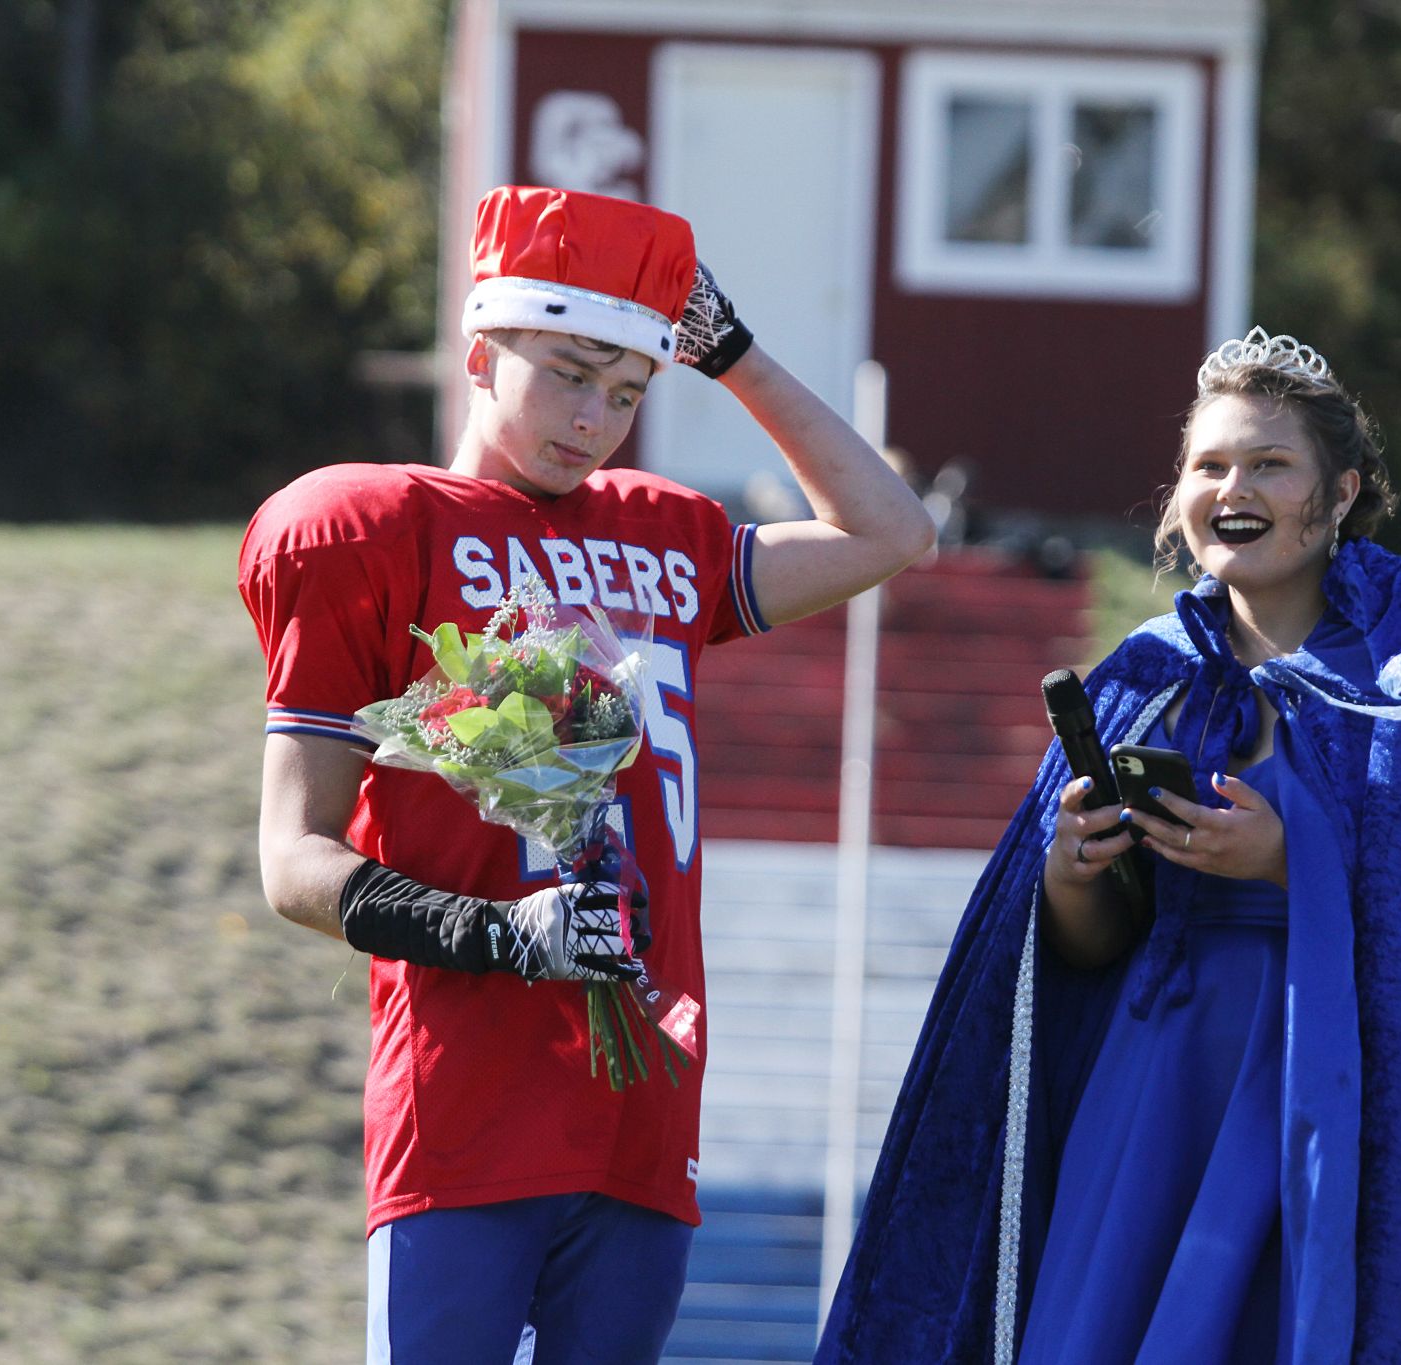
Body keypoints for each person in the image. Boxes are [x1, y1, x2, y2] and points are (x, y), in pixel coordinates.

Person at [238, 185, 934, 1365]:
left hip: (645, 1103)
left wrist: (735, 357)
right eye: (568, 372)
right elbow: (291, 862)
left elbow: (891, 533)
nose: (596, 417)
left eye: (627, 390)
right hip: (467, 1102)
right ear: (478, 350)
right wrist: (503, 934)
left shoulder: (663, 530)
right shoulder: (372, 522)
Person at [818, 328, 1401, 1363]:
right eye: (1208, 465)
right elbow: (1076, 958)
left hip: (1318, 1087)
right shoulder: (1137, 680)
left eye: (1268, 464)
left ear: (1339, 494)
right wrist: (1070, 874)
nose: (1231, 487)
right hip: (1151, 1090)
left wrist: (1293, 863)